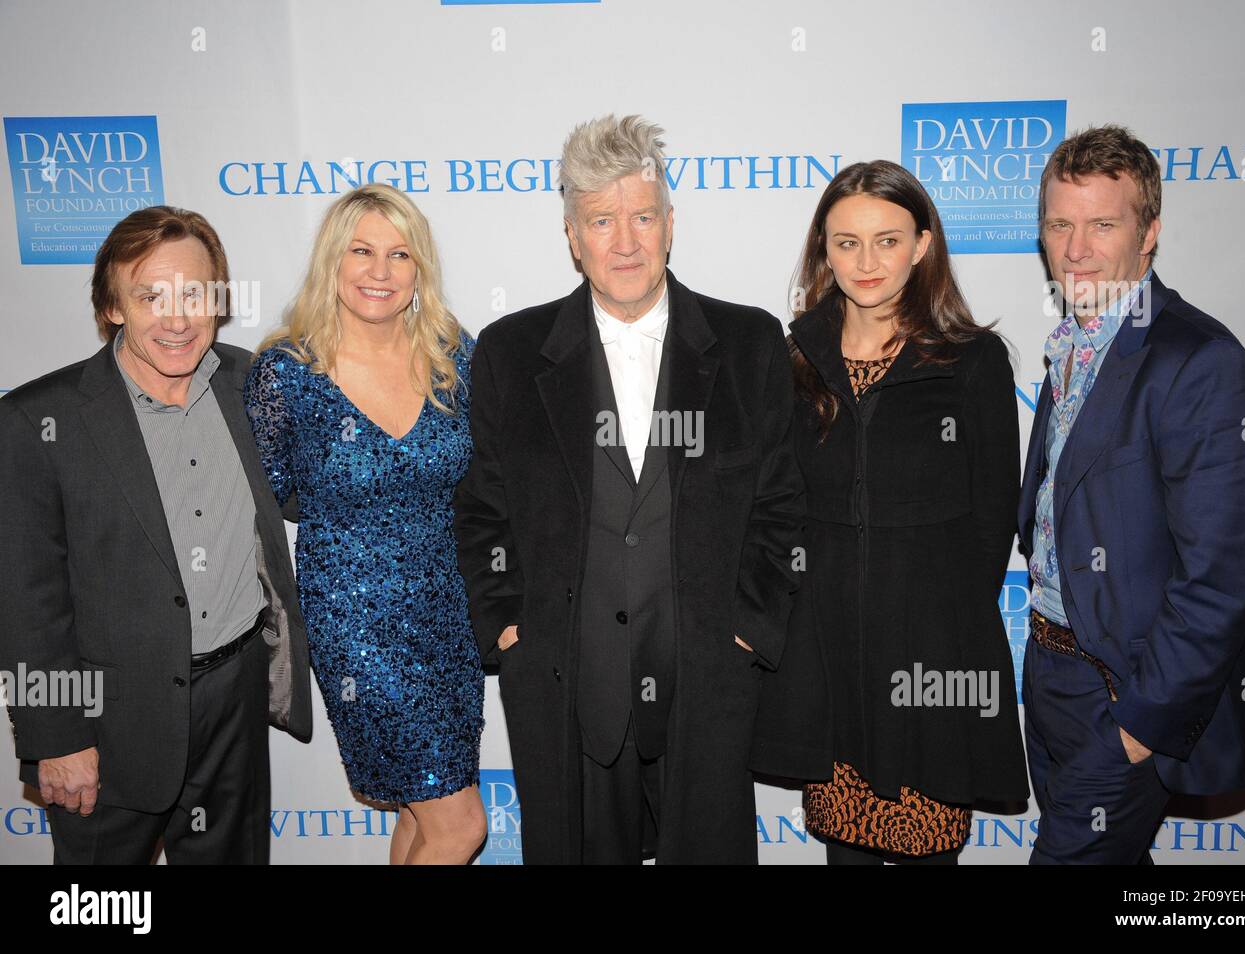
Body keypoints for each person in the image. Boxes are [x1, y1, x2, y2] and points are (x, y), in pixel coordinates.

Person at [454, 114, 804, 864]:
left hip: (706, 683)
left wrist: (750, 627)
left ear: (670, 225)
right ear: (572, 237)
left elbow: (781, 504)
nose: (624, 242)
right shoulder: (511, 352)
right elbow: (483, 508)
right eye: (601, 221)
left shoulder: (749, 345)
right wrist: (508, 625)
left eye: (642, 217)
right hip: (567, 684)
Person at [0, 206, 312, 863]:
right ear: (112, 306)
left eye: (194, 293)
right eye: (150, 297)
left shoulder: (251, 386)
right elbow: (26, 603)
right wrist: (56, 737)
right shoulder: (37, 421)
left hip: (234, 699)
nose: (177, 319)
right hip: (107, 721)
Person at [750, 161, 1028, 864]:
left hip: (931, 665)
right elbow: (776, 510)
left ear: (922, 245)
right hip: (828, 660)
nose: (867, 262)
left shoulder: (972, 361)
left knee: (927, 848)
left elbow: (992, 524)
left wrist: (938, 626)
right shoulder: (795, 361)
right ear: (824, 249)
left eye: (887, 240)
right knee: (845, 851)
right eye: (847, 243)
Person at [1018, 124, 1245, 864]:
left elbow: (1219, 580)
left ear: (1149, 232)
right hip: (1053, 673)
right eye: (1059, 225)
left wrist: (1140, 723)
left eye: (1103, 225)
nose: (1076, 249)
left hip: (1126, 691)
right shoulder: (1072, 346)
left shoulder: (1200, 361)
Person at [245, 184, 486, 864]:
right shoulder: (286, 373)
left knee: (421, 810)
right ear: (333, 259)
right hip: (356, 626)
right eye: (361, 251)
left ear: (419, 268)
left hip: (449, 615)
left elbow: (484, 482)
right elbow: (266, 501)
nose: (380, 271)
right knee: (461, 825)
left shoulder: (453, 357)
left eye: (399, 254)